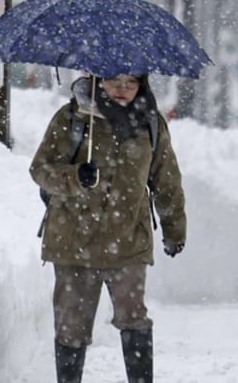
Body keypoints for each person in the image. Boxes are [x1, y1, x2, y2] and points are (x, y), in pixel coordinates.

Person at [30, 73, 186, 383]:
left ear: (142, 85)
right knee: (71, 327)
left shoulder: (150, 124)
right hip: (73, 243)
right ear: (99, 80)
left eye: (131, 83)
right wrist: (75, 177)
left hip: (128, 241)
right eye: (114, 81)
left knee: (134, 320)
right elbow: (41, 169)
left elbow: (166, 181)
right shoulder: (73, 118)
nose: (122, 90)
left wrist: (174, 230)